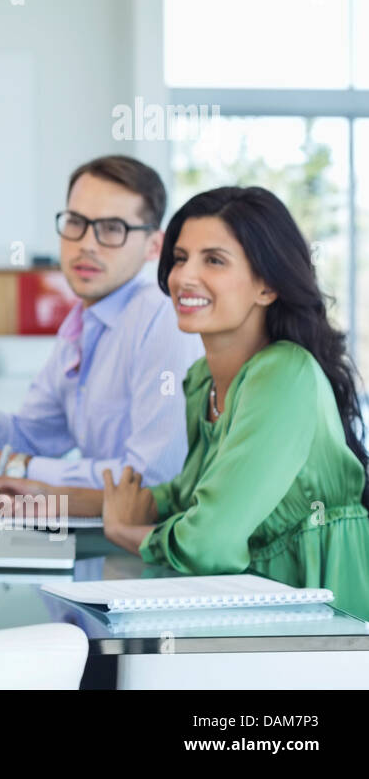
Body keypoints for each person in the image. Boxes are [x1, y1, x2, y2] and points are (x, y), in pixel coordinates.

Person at [101, 187, 369, 617]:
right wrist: (36, 492)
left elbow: (208, 543)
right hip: (250, 617)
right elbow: (187, 495)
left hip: (328, 632)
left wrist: (127, 530)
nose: (184, 276)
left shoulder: (285, 374)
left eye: (214, 260)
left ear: (267, 287)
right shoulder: (202, 380)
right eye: (181, 257)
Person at [0, 156, 203, 500]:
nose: (86, 243)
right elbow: (33, 435)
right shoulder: (83, 321)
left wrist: (17, 467)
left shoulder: (164, 319)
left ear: (154, 246)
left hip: (140, 550)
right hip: (95, 541)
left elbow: (152, 475)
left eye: (112, 229)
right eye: (76, 222)